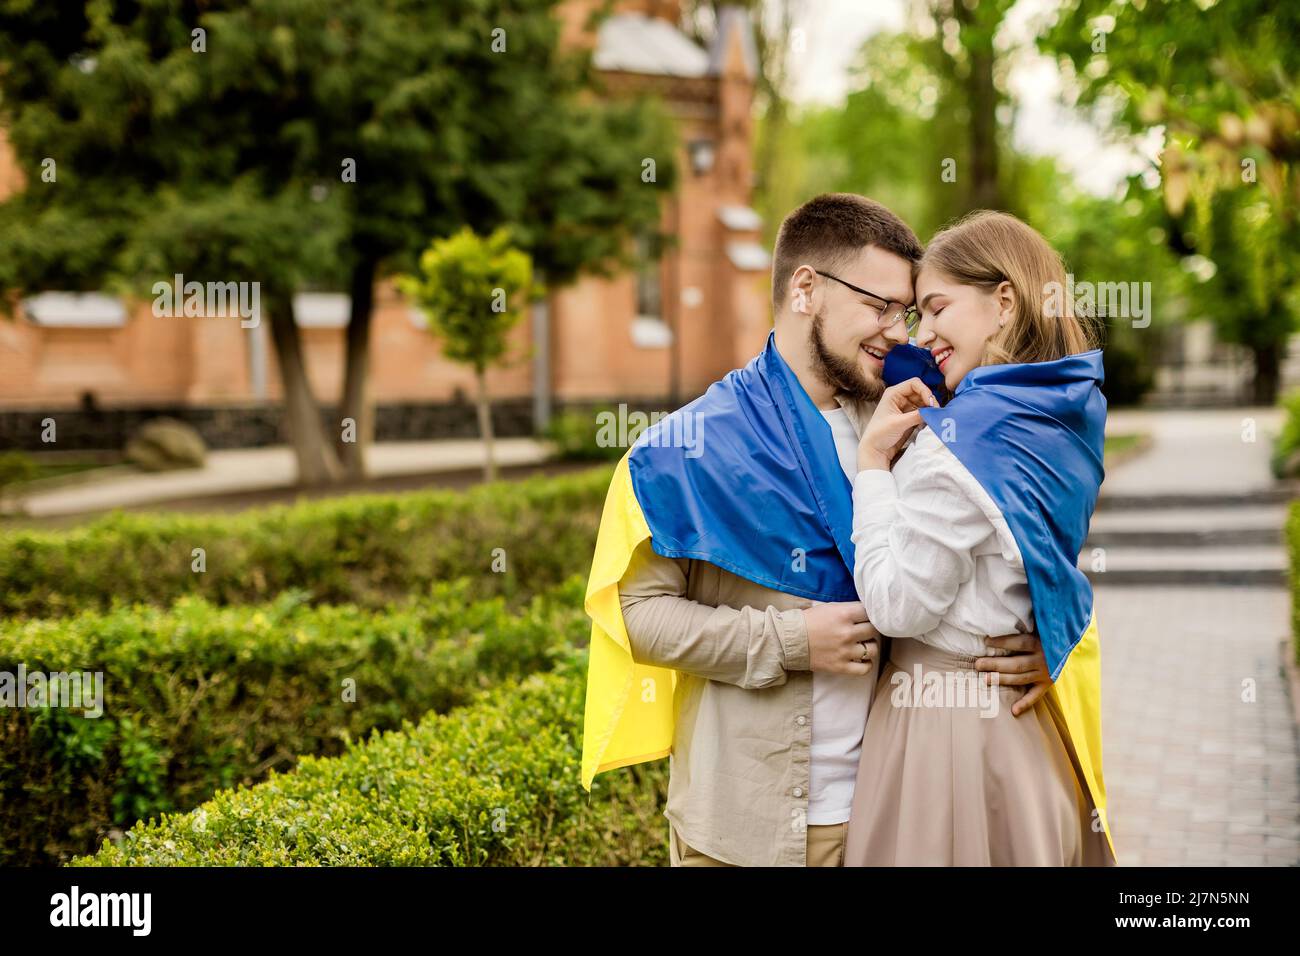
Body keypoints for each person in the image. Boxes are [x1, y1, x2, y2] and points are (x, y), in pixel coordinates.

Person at [579, 194, 1049, 867]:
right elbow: (637, 618)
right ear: (806, 289)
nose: (900, 333)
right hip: (742, 824)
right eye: (880, 306)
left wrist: (1044, 647)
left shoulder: (914, 425)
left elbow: (1012, 555)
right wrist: (792, 640)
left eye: (909, 312)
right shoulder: (687, 446)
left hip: (889, 811)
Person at [843, 210, 1117, 866]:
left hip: (943, 743)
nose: (924, 332)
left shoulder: (961, 441)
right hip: (1026, 739)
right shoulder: (1062, 414)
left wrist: (873, 468)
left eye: (938, 308)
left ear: (1003, 301)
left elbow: (897, 606)